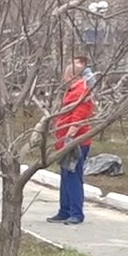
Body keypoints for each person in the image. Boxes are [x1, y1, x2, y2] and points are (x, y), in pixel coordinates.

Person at [51, 61, 95, 225]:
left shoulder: (81, 92)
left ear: (71, 76)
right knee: (65, 176)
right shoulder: (73, 91)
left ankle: (76, 213)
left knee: (73, 176)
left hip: (75, 142)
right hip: (66, 141)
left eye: (65, 74)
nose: (63, 78)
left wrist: (68, 139)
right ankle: (65, 210)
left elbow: (78, 119)